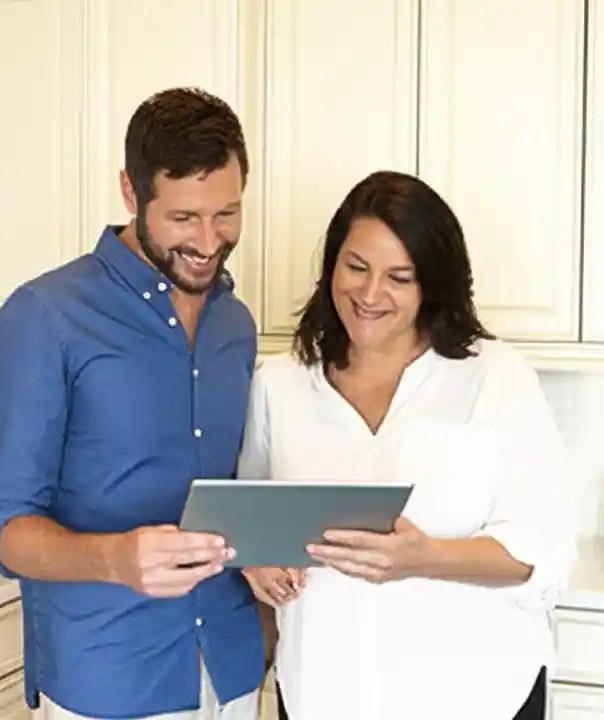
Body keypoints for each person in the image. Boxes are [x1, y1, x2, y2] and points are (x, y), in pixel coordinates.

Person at [237, 170, 575, 720]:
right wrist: (257, 563)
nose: (370, 295)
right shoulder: (280, 384)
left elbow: (543, 553)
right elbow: (251, 522)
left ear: (431, 286)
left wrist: (425, 557)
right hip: (323, 695)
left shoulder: (495, 378)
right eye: (356, 267)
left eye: (400, 276)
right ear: (331, 266)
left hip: (475, 697)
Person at [0, 88, 265, 720]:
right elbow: (2, 533)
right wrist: (115, 558)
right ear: (131, 194)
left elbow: (234, 496)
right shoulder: (45, 316)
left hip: (232, 666)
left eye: (228, 214)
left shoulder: (236, 326)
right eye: (184, 218)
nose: (209, 241)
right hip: (107, 681)